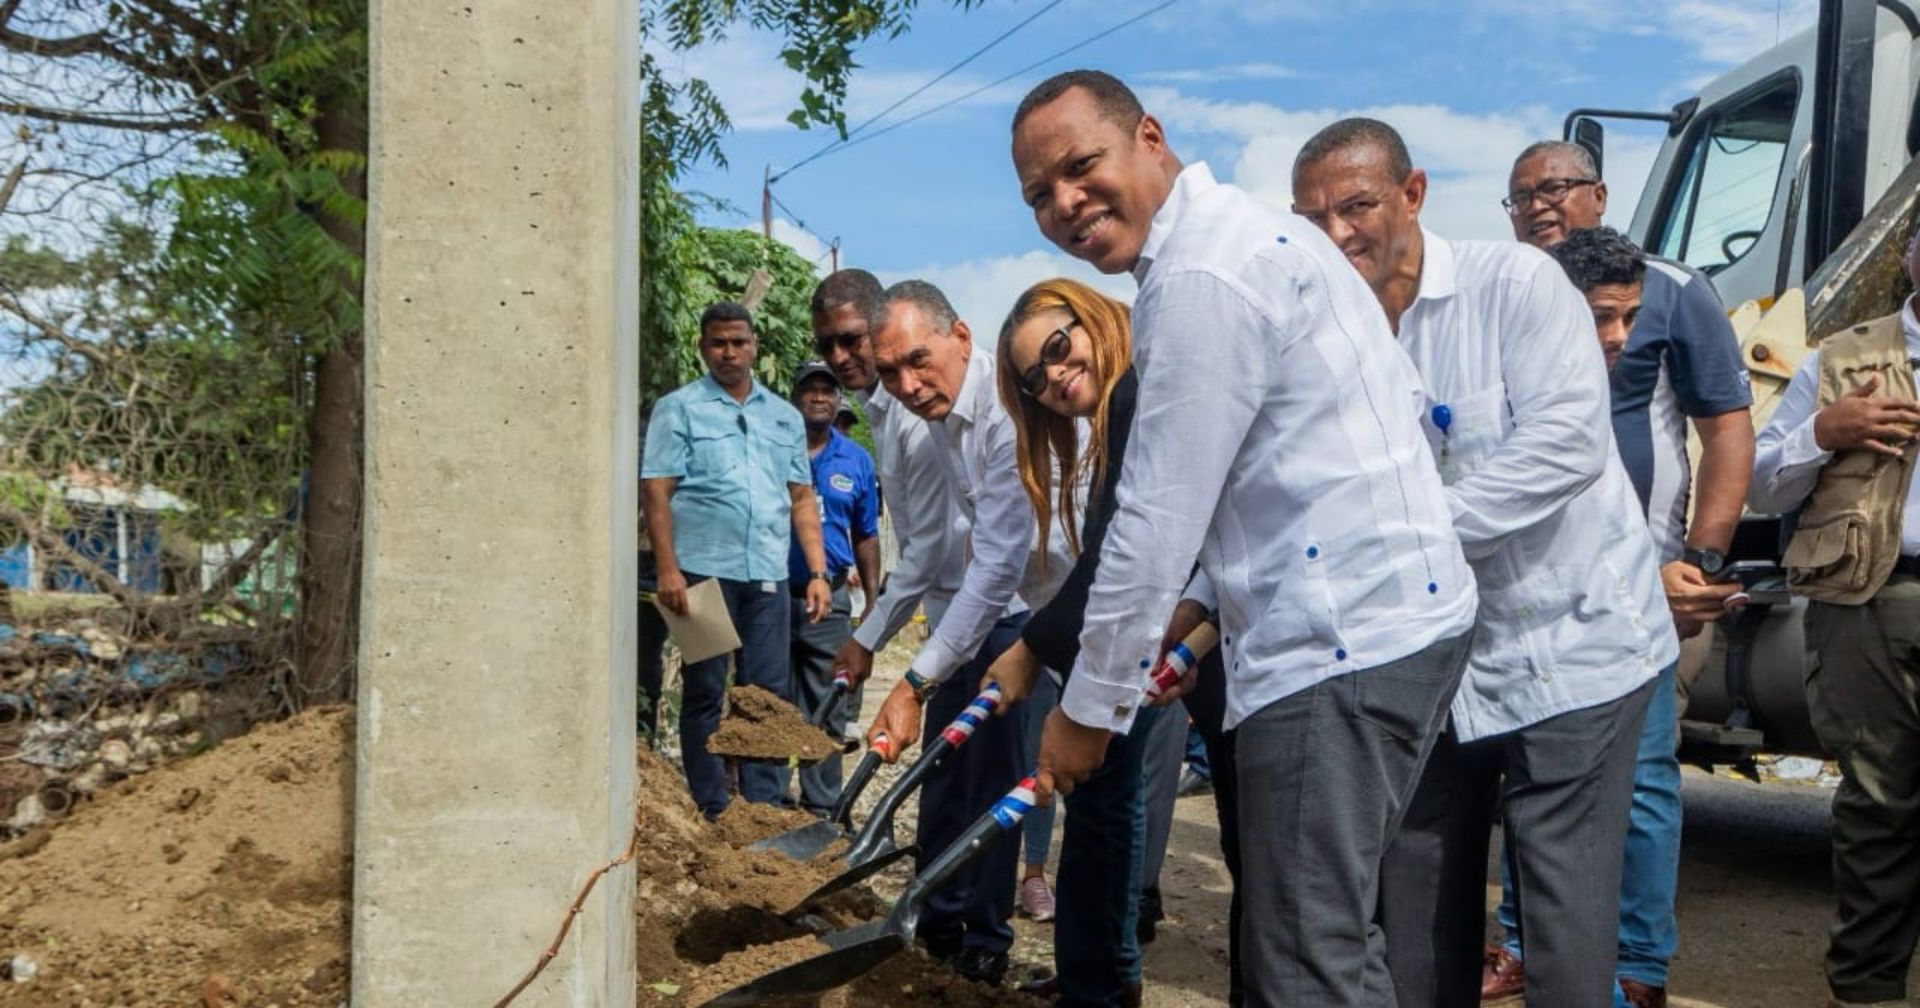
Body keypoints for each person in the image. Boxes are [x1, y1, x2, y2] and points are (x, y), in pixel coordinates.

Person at [1010, 71, 1478, 1008]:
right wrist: (1202, 606)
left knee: (1304, 961)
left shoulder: (1203, 277)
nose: (1065, 202)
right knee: (1322, 939)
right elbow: (1309, 460)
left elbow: (1156, 518)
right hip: (1391, 626)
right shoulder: (1254, 239)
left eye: (1081, 165)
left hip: (1336, 650)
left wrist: (1088, 710)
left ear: (1149, 137)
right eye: (1039, 194)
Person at [1291, 119, 1677, 1008]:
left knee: (1561, 915)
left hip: (1575, 643)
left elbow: (1565, 445)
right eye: (1313, 220)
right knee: (1419, 889)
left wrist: (1406, 541)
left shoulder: (1514, 286)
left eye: (1356, 206)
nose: (1337, 233)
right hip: (1435, 656)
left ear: (1413, 194)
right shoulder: (1331, 340)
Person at [1489, 143, 1757, 1008]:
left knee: (1638, 775)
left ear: (1600, 194)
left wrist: (1698, 559)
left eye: (1555, 188)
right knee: (1530, 770)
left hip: (1643, 583)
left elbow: (1727, 426)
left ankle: (1637, 965)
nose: (1537, 205)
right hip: (1530, 584)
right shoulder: (1503, 295)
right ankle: (1524, 944)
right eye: (1520, 196)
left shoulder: (1668, 290)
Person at [852, 279, 1051, 987]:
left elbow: (996, 565)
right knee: (945, 779)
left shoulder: (1003, 410)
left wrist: (911, 680)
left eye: (918, 360)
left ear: (961, 337)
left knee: (1008, 785)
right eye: (889, 372)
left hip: (1030, 615)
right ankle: (939, 921)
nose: (907, 384)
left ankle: (992, 939)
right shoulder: (941, 416)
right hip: (976, 614)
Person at [978, 276, 1166, 1007]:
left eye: (1058, 347)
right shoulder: (1110, 419)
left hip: (1209, 642)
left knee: (1109, 807)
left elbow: (1122, 552)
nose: (1053, 377)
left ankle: (1104, 982)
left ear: (1090, 317)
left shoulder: (1138, 392)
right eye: (1035, 378)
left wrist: (1032, 649)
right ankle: (1100, 977)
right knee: (1100, 808)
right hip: (1127, 639)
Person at [1748, 231, 1920, 1008]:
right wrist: (1825, 432)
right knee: (1879, 804)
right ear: (1908, 252)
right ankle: (1866, 990)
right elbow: (1761, 484)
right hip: (1870, 602)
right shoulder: (1839, 358)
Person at [641, 301, 832, 819]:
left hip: (767, 574)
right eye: (719, 343)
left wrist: (817, 572)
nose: (729, 352)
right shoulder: (679, 408)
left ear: (754, 347)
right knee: (705, 688)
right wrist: (668, 569)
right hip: (701, 572)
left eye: (738, 342)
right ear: (703, 348)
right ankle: (713, 807)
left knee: (766, 695)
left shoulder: (784, 417)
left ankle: (760, 808)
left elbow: (801, 498)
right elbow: (656, 491)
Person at [782, 361, 881, 816]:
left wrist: (875, 604)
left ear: (839, 399)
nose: (819, 397)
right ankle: (768, 803)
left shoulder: (857, 461)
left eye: (828, 390)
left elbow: (867, 535)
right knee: (770, 700)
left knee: (828, 702)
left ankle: (820, 808)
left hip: (832, 599)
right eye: (810, 389)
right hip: (773, 596)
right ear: (795, 396)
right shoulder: (773, 448)